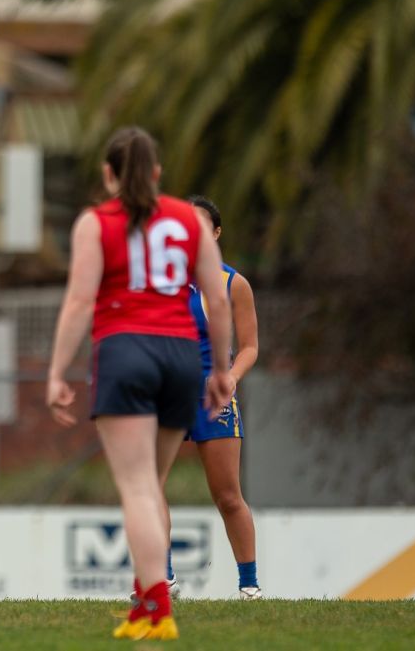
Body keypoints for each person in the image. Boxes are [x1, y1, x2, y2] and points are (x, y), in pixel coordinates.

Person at [45, 127, 232, 641]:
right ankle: (147, 607)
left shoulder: (96, 221)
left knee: (137, 489)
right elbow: (217, 299)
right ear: (156, 174)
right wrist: (220, 369)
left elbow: (80, 302)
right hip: (181, 356)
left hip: (125, 348)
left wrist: (58, 371)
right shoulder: (190, 221)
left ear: (108, 174)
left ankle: (157, 607)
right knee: (151, 485)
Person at [163, 195, 261, 599]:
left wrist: (230, 377)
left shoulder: (231, 283)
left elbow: (251, 345)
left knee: (227, 495)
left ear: (217, 233)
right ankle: (161, 581)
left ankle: (249, 585)